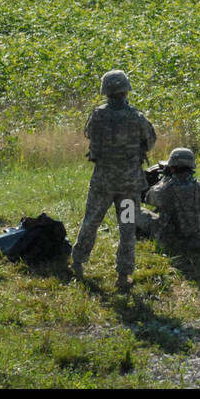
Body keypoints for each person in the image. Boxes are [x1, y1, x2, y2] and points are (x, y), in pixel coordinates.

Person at [71, 70, 156, 290]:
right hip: (128, 186)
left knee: (91, 222)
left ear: (106, 91)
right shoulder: (137, 117)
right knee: (127, 228)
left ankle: (78, 263)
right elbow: (150, 140)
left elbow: (90, 135)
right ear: (126, 90)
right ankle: (123, 275)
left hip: (103, 184)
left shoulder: (97, 116)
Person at [137, 148, 200, 250]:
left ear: (172, 168)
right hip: (199, 241)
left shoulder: (162, 190)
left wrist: (164, 180)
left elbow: (148, 198)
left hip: (168, 242)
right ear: (192, 167)